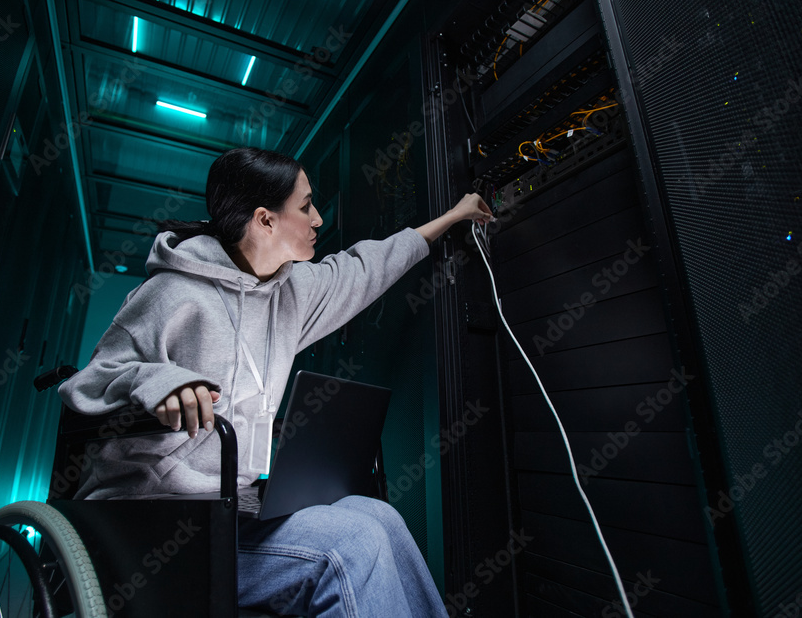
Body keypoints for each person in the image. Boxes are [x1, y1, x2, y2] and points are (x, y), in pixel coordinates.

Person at [58, 146, 493, 617]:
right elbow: (89, 383)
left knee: (378, 515)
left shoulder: (290, 293)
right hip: (151, 520)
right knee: (352, 543)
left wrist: (454, 216)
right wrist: (163, 380)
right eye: (306, 206)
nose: (318, 218)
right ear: (265, 220)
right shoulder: (171, 293)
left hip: (232, 511)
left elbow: (366, 267)